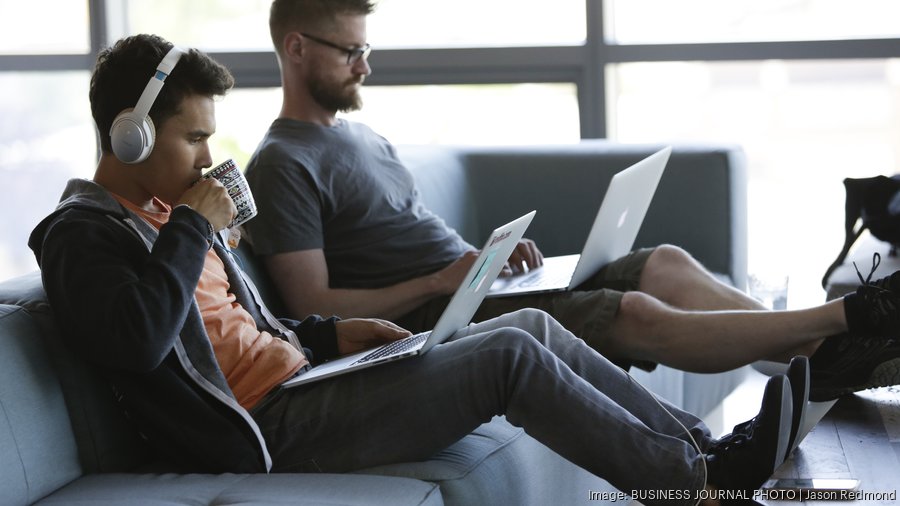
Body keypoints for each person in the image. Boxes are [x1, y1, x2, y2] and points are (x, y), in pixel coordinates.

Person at [29, 33, 805, 505]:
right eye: (193, 138)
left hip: (304, 385)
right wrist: (198, 224)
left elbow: (250, 333)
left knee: (529, 320)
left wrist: (334, 335)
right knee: (507, 354)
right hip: (266, 432)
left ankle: (704, 453)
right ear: (128, 136)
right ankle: (696, 492)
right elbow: (137, 340)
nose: (208, 157)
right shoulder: (79, 236)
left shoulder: (172, 220)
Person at [244, 0, 900, 403]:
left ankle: (822, 361)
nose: (364, 66)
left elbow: (413, 237)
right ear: (296, 48)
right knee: (633, 308)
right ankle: (844, 322)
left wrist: (492, 257)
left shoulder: (361, 136)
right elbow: (311, 307)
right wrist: (441, 278)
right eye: (350, 51)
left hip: (480, 287)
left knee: (665, 261)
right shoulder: (281, 163)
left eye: (366, 49)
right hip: (442, 322)